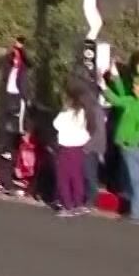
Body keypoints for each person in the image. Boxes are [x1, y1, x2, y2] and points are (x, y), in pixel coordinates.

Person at [102, 60, 139, 222]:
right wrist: (105, 86)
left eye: (137, 86)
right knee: (130, 177)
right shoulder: (133, 100)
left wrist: (131, 141)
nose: (134, 88)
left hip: (132, 145)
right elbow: (117, 99)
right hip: (124, 144)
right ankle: (132, 208)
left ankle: (138, 213)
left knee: (136, 178)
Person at [0, 39, 30, 194]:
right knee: (2, 141)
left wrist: (22, 50)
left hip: (18, 105)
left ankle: (7, 177)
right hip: (6, 103)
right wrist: (11, 51)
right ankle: (2, 177)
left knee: (12, 144)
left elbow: (29, 61)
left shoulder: (25, 68)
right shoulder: (8, 65)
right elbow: (0, 61)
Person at [52, 88, 93, 217]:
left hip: (66, 148)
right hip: (79, 148)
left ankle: (67, 205)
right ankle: (78, 203)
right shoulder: (83, 112)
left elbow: (56, 124)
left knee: (63, 177)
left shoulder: (65, 113)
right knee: (77, 176)